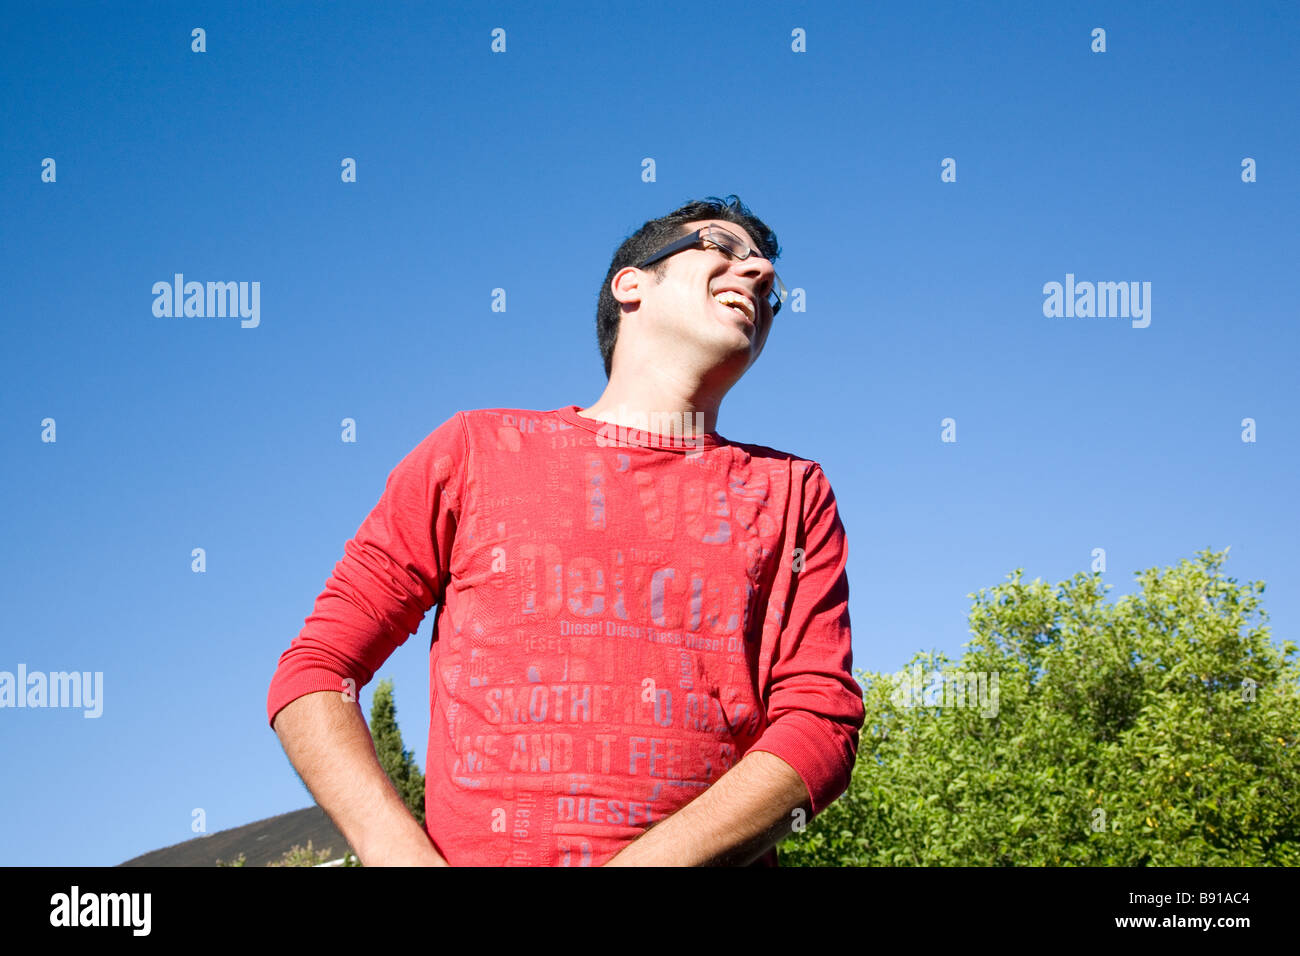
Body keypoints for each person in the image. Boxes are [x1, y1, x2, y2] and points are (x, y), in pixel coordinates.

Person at [266, 194, 865, 866]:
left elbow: (820, 722)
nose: (758, 276)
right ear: (631, 284)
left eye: (769, 279)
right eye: (723, 249)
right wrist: (398, 853)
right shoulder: (474, 450)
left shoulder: (794, 492)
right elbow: (317, 673)